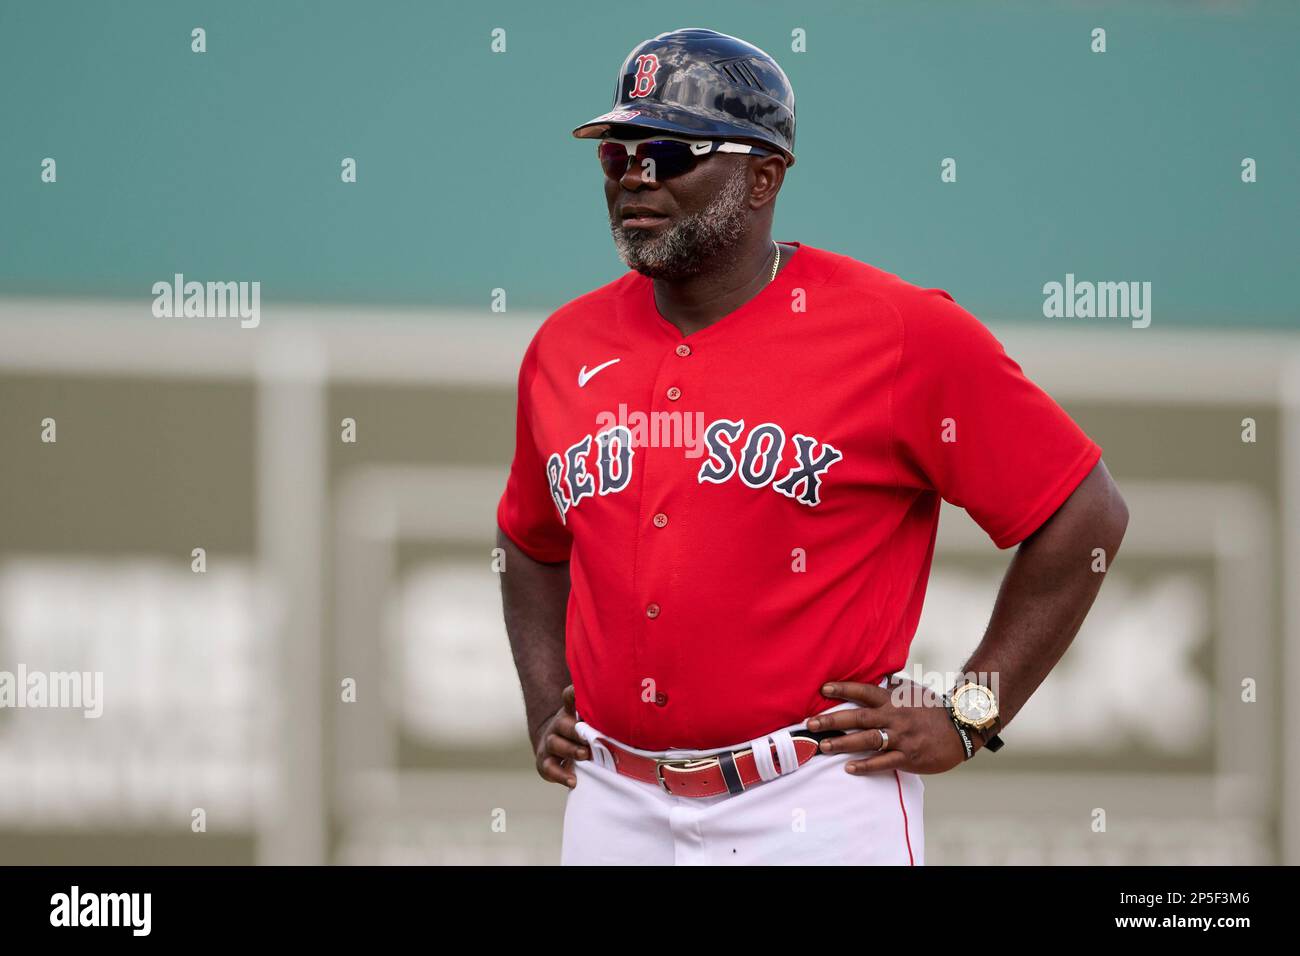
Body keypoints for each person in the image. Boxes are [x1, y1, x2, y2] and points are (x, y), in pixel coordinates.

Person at [495, 27, 1129, 865]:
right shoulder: (564, 346)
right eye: (617, 155)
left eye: (671, 150)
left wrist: (974, 713)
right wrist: (546, 700)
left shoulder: (900, 332)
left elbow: (1085, 511)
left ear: (763, 175)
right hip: (614, 800)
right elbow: (528, 541)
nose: (636, 176)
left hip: (814, 795)